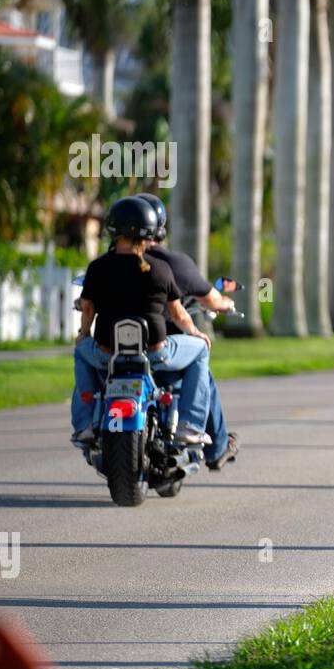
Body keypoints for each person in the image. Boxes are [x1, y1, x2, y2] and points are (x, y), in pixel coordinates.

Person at [71, 197, 214, 448]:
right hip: (155, 354)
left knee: (81, 352)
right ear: (150, 232)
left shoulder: (97, 268)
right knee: (201, 350)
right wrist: (195, 332)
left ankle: (84, 425)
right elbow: (179, 314)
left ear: (113, 231)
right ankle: (190, 426)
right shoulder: (160, 269)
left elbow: (88, 308)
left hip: (107, 354)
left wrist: (84, 333)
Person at [134, 192, 239, 471]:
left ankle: (87, 423)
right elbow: (202, 302)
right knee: (200, 357)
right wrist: (225, 305)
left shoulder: (108, 264)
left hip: (113, 350)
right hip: (160, 348)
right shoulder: (170, 264)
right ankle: (210, 442)